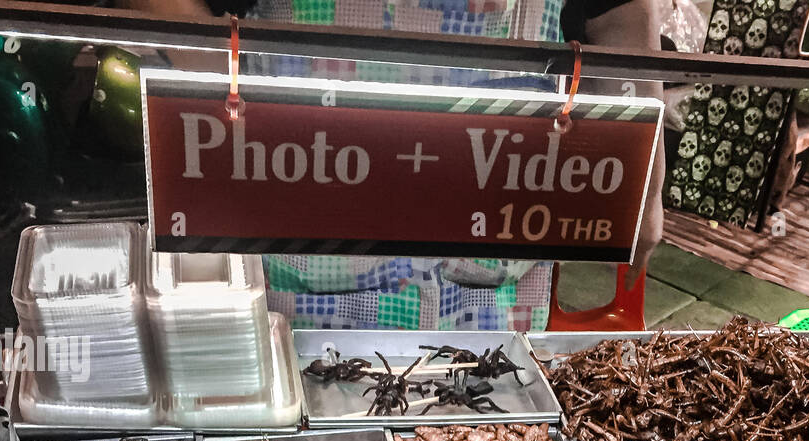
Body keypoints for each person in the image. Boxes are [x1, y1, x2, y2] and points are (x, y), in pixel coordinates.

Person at [124, 0, 665, 328]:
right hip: (304, 269)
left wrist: (645, 177)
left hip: (491, 266)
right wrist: (241, 139)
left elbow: (620, 13)